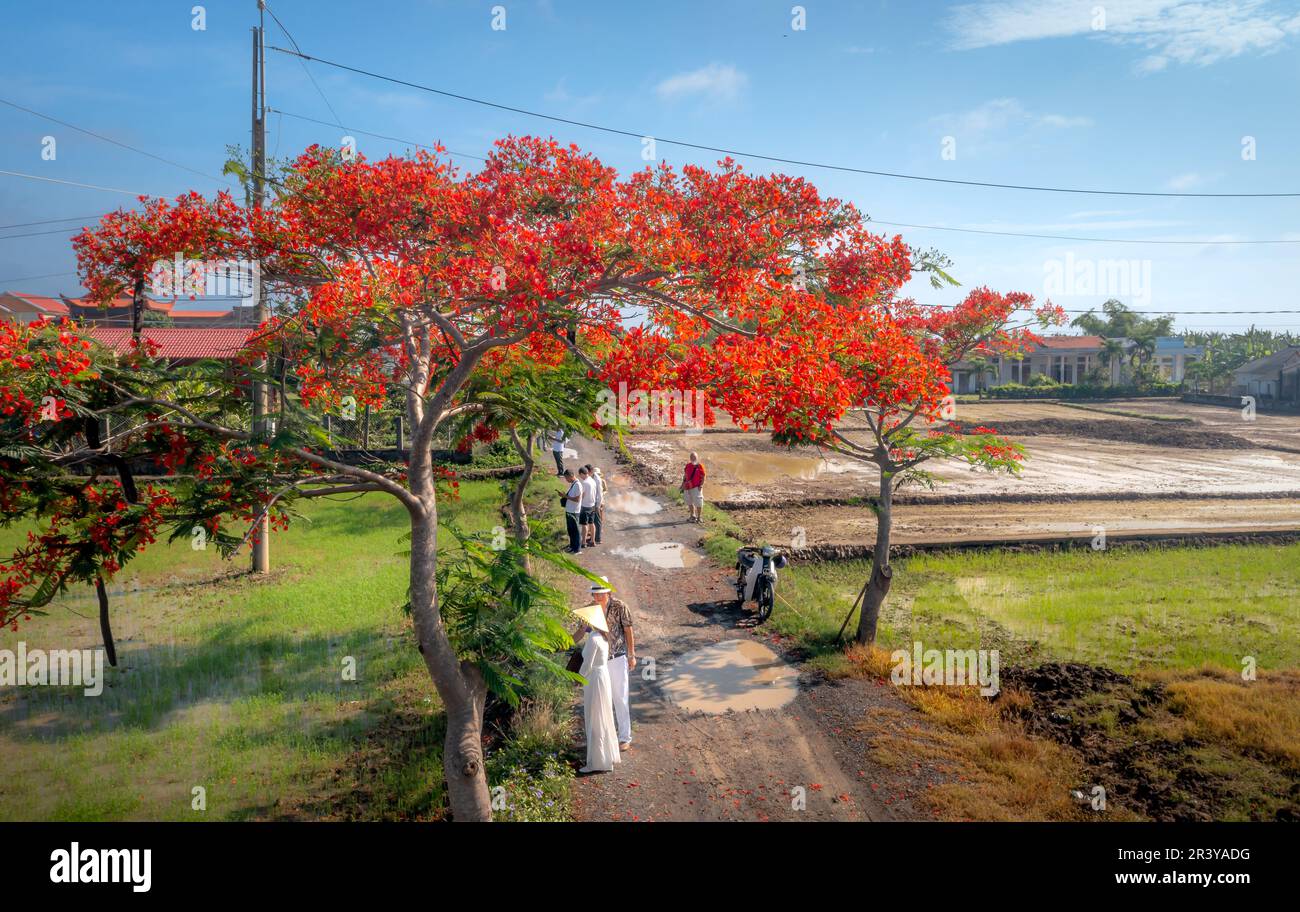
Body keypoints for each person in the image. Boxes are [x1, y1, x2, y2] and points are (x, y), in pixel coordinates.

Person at [572, 603, 621, 774]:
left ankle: (597, 762)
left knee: (594, 718)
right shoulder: (603, 637)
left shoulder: (593, 639)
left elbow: (587, 665)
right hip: (602, 676)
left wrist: (578, 679)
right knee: (603, 715)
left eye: (585, 620)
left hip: (594, 678)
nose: (583, 622)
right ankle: (606, 756)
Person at [590, 577, 634, 750]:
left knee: (620, 698)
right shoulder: (590, 610)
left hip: (618, 657)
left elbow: (628, 630)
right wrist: (566, 642)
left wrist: (631, 655)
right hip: (599, 661)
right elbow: (581, 631)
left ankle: (625, 737)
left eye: (601, 593)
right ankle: (608, 737)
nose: (598, 597)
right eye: (595, 594)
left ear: (608, 592)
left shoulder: (620, 606)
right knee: (603, 699)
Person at [562, 469, 583, 553]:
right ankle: (572, 546)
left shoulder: (577, 485)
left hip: (574, 511)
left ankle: (577, 549)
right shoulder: (573, 484)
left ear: (570, 476)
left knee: (575, 531)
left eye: (566, 478)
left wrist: (565, 497)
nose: (566, 480)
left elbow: (577, 499)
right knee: (570, 530)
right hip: (569, 510)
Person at [681, 451, 706, 523]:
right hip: (687, 487)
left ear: (697, 458)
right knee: (689, 502)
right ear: (690, 458)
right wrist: (682, 484)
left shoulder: (700, 466)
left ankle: (699, 517)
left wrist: (701, 485)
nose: (693, 458)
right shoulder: (688, 465)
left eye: (694, 457)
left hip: (696, 487)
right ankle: (692, 516)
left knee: (698, 502)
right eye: (692, 457)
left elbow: (703, 477)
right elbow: (685, 475)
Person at [578, 466, 598, 548]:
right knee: (592, 523)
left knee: (584, 525)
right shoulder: (593, 481)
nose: (580, 477)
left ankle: (583, 543)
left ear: (582, 474)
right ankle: (593, 541)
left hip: (585, 506)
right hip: (592, 505)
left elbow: (582, 495)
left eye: (580, 475)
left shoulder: (584, 483)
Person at [588, 464, 607, 545]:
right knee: (594, 520)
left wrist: (598, 504)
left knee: (598, 520)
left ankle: (597, 538)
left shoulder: (599, 480)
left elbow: (602, 492)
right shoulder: (592, 479)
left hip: (598, 502)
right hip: (595, 502)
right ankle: (594, 536)